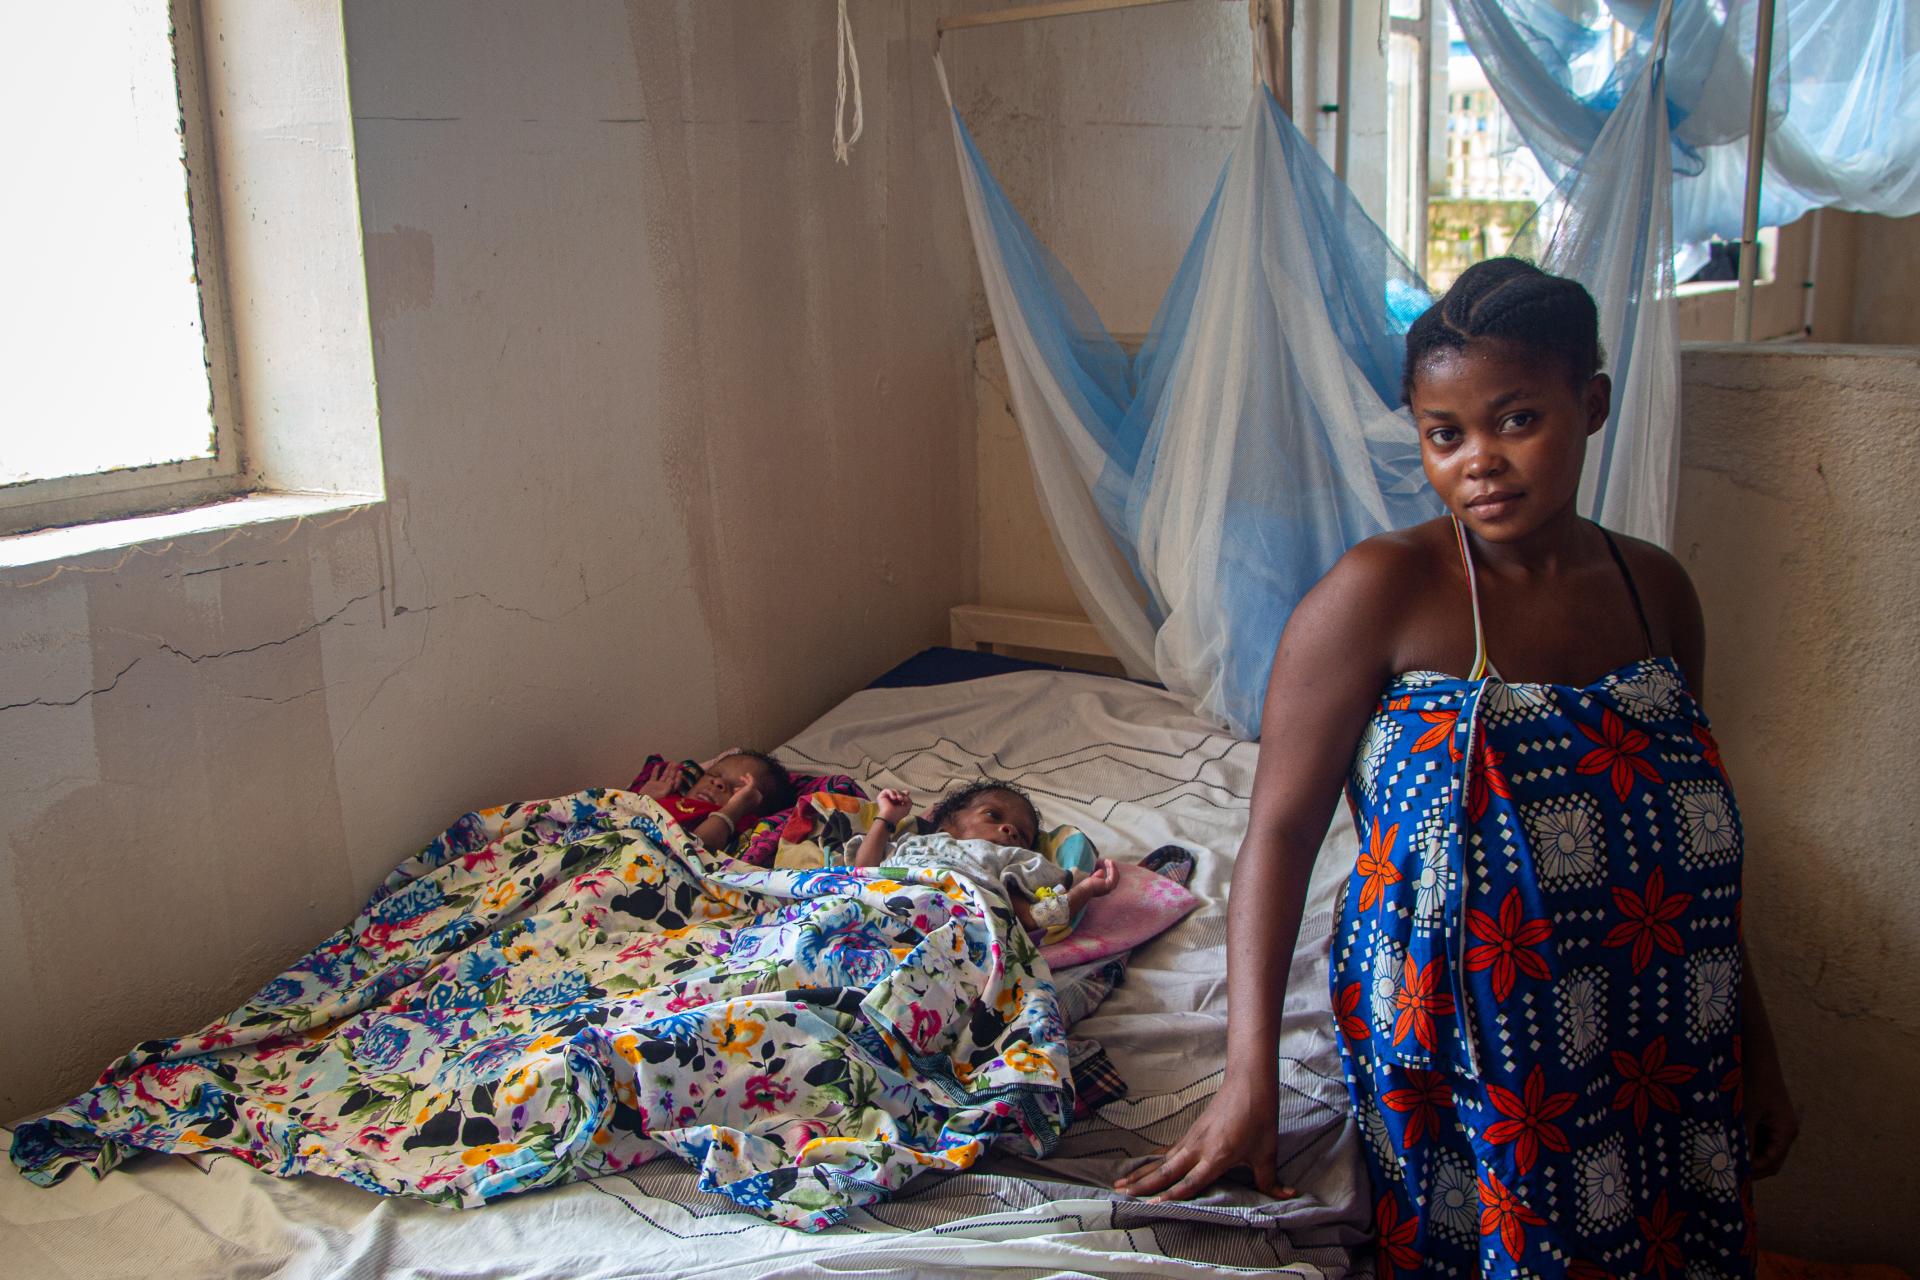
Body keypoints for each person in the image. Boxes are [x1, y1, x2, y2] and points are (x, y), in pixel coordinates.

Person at [1116, 258, 1796, 1276]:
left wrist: (1755, 1041)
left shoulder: (1654, 590)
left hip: (1657, 1022)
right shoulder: (1382, 590)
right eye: (1446, 434)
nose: (1480, 459)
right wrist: (1245, 1074)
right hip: (1475, 1037)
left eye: (1515, 419)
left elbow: (1688, 844)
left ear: (1592, 404)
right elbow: (1281, 834)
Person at [850, 779, 1117, 935]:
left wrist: (1087, 889)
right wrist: (887, 817)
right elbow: (863, 867)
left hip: (942, 933)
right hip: (869, 909)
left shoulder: (1007, 861)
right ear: (948, 823)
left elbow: (1034, 918)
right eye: (993, 815)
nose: (1010, 829)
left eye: (1022, 835)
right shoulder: (913, 843)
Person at [636, 750, 793, 851]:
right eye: (714, 774)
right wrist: (643, 800)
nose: (717, 783)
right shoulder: (667, 798)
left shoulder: (734, 824)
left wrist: (732, 811)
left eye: (737, 788)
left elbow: (695, 852)